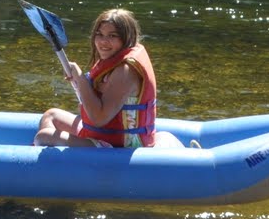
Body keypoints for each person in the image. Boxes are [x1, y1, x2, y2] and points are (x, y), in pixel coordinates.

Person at [33, 8, 182, 149]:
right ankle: (54, 169)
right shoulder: (112, 59)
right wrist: (79, 83)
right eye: (100, 34)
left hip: (121, 148)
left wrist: (81, 79)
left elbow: (99, 119)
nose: (103, 41)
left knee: (44, 136)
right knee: (51, 116)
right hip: (102, 136)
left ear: (126, 38)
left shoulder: (125, 71)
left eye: (112, 36)